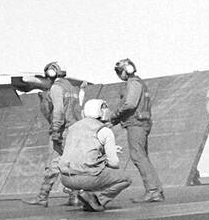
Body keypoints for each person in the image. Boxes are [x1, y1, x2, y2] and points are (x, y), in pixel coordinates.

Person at [56, 99, 132, 211]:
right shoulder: (104, 131)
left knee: (93, 170)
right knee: (125, 179)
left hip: (65, 178)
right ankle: (99, 200)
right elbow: (114, 163)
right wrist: (107, 156)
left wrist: (103, 152)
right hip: (86, 177)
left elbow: (76, 151)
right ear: (101, 112)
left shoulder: (72, 128)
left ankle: (86, 196)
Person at [29, 62, 82, 208]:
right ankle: (75, 196)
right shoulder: (72, 88)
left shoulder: (56, 88)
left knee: (53, 163)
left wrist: (56, 131)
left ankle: (42, 197)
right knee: (71, 164)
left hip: (63, 129)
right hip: (74, 129)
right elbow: (77, 110)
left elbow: (58, 111)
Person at [112, 58, 164, 202]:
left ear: (124, 71)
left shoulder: (133, 83)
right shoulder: (140, 82)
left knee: (138, 156)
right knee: (143, 156)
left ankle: (153, 190)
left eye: (119, 72)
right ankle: (156, 190)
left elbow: (129, 104)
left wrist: (115, 116)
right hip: (142, 122)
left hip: (136, 123)